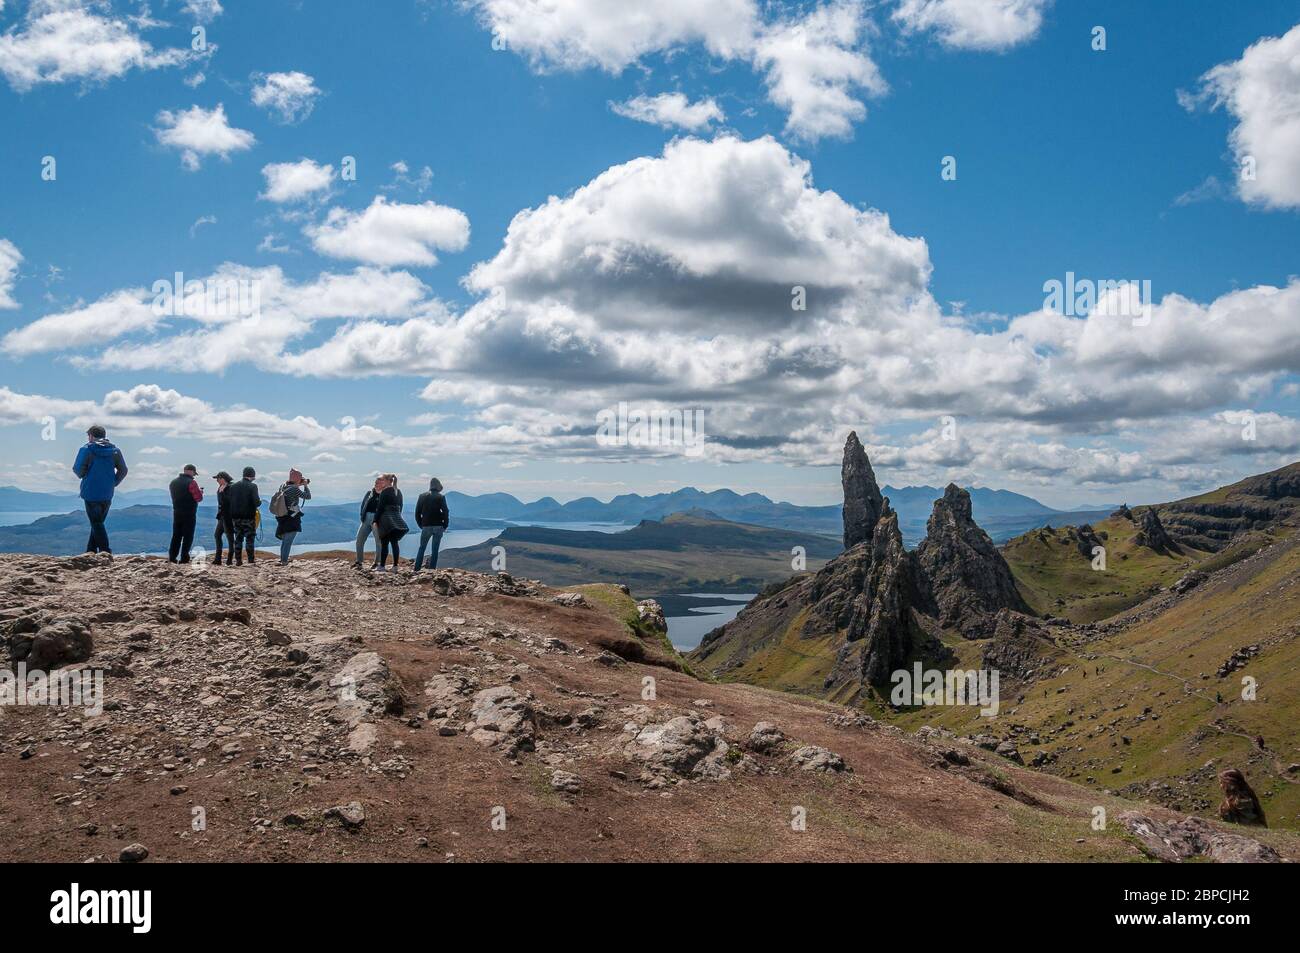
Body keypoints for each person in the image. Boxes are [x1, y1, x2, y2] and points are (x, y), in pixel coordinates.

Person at [72, 424, 128, 556]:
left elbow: (77, 469)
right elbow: (123, 470)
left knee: (96, 522)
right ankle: (90, 550)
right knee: (98, 522)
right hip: (107, 493)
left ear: (91, 436)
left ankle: (105, 550)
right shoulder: (115, 451)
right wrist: (113, 482)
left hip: (90, 491)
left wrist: (84, 475)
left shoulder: (86, 449)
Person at [273, 468, 311, 566]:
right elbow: (307, 496)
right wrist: (305, 486)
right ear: (297, 479)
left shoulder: (283, 486)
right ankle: (284, 561)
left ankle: (283, 559)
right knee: (288, 540)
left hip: (283, 516)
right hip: (292, 517)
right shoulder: (294, 489)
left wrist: (298, 485)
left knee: (285, 540)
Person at [167, 464, 204, 563]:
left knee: (176, 535)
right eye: (194, 474)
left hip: (177, 511)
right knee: (188, 536)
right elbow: (198, 498)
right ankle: (184, 558)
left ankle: (172, 557)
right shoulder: (192, 482)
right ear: (191, 471)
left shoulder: (173, 483)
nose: (194, 476)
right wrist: (200, 492)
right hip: (189, 512)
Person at [225, 467, 262, 565]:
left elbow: (230, 501)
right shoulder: (253, 486)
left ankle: (238, 561)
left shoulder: (233, 486)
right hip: (248, 517)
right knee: (249, 539)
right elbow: (257, 502)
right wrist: (260, 502)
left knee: (238, 538)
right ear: (252, 475)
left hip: (235, 517)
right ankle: (250, 560)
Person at [371, 474, 407, 571]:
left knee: (385, 543)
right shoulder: (398, 492)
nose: (381, 482)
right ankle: (395, 566)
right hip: (397, 520)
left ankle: (382, 566)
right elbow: (401, 506)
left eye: (383, 480)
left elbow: (380, 508)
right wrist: (397, 516)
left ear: (387, 481)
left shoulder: (385, 492)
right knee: (394, 543)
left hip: (386, 520)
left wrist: (375, 520)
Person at [413, 477, 450, 571]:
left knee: (422, 547)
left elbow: (417, 512)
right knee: (435, 549)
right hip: (438, 526)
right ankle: (431, 570)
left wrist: (421, 524)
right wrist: (445, 525)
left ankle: (416, 569)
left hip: (426, 526)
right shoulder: (441, 497)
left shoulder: (422, 496)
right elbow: (445, 511)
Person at [354, 476, 384, 569]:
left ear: (383, 484)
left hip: (377, 520)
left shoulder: (384, 495)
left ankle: (377, 562)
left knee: (378, 542)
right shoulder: (369, 493)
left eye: (378, 483)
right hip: (366, 519)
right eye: (375, 482)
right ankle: (359, 561)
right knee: (359, 539)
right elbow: (363, 505)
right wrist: (362, 516)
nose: (375, 484)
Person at [211, 471, 235, 565]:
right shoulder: (221, 487)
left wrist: (222, 493)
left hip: (228, 516)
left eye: (218, 479)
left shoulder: (230, 487)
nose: (216, 480)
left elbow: (228, 502)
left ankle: (229, 560)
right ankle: (218, 559)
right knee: (217, 535)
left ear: (222, 478)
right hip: (222, 516)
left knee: (230, 538)